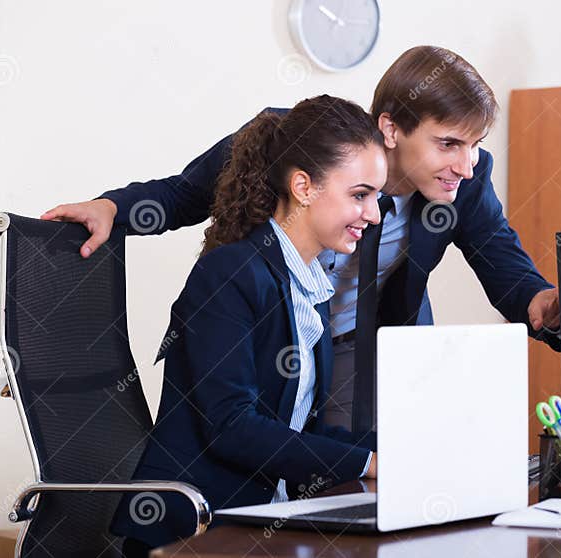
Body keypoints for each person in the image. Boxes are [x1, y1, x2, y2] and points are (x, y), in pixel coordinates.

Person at [42, 45, 561, 433]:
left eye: (475, 145)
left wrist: (539, 302)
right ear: (392, 129)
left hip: (364, 346)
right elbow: (185, 193)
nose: (466, 164)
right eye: (449, 143)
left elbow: (498, 252)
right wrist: (113, 208)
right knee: (254, 457)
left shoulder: (464, 178)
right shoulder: (299, 143)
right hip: (272, 335)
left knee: (357, 482)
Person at [111, 94, 387, 553]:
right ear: (303, 187)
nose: (374, 214)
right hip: (195, 534)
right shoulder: (230, 275)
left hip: (262, 524)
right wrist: (369, 462)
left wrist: (403, 447)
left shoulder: (308, 284)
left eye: (376, 196)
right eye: (360, 195)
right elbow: (233, 426)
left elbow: (299, 428)